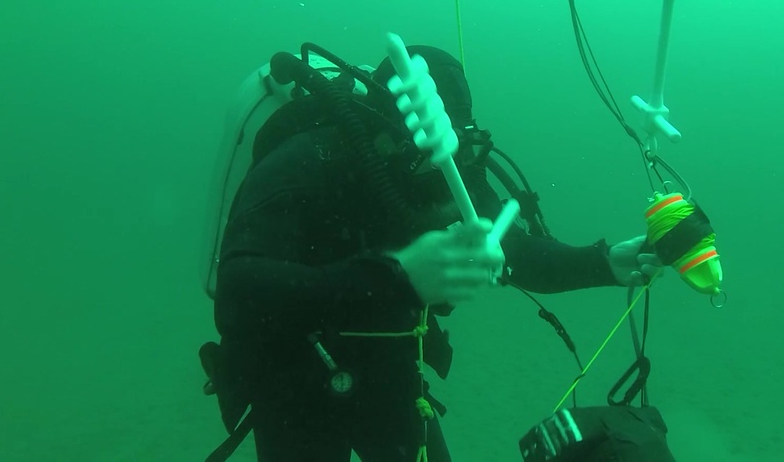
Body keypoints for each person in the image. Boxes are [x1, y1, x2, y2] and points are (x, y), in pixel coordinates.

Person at [202, 43, 676, 462]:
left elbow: (512, 250)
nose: (429, 167)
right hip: (291, 376)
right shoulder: (311, 158)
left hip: (389, 366)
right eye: (412, 147)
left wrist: (601, 262)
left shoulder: (453, 165)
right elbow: (239, 289)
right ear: (380, 120)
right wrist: (398, 275)